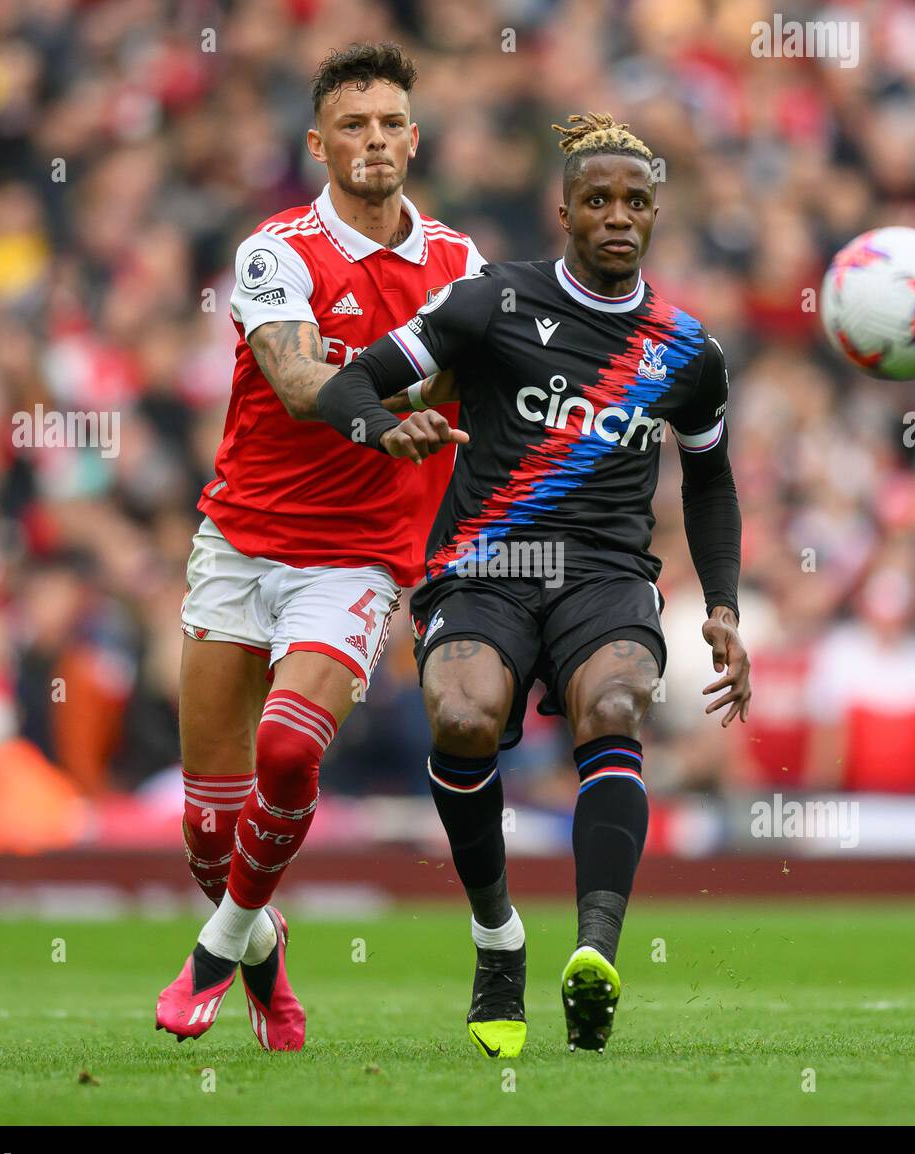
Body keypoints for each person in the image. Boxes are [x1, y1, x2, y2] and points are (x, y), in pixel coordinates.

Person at [317, 113, 750, 1056]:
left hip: (603, 575)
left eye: (637, 202)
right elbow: (353, 381)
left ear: (657, 215)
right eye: (599, 201)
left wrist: (721, 605)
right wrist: (385, 428)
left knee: (620, 701)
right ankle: (497, 940)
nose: (619, 217)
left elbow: (711, 480)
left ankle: (594, 955)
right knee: (463, 717)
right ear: (565, 211)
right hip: (486, 568)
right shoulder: (490, 305)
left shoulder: (688, 355)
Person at [155, 43, 482, 1050]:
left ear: (413, 138)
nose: (374, 140)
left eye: (389, 123)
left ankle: (213, 951)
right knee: (209, 826)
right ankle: (262, 945)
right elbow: (299, 386)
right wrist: (393, 418)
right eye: (353, 125)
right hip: (242, 542)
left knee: (290, 751)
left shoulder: (460, 266)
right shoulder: (277, 251)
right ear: (319, 143)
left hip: (359, 554)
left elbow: (482, 383)